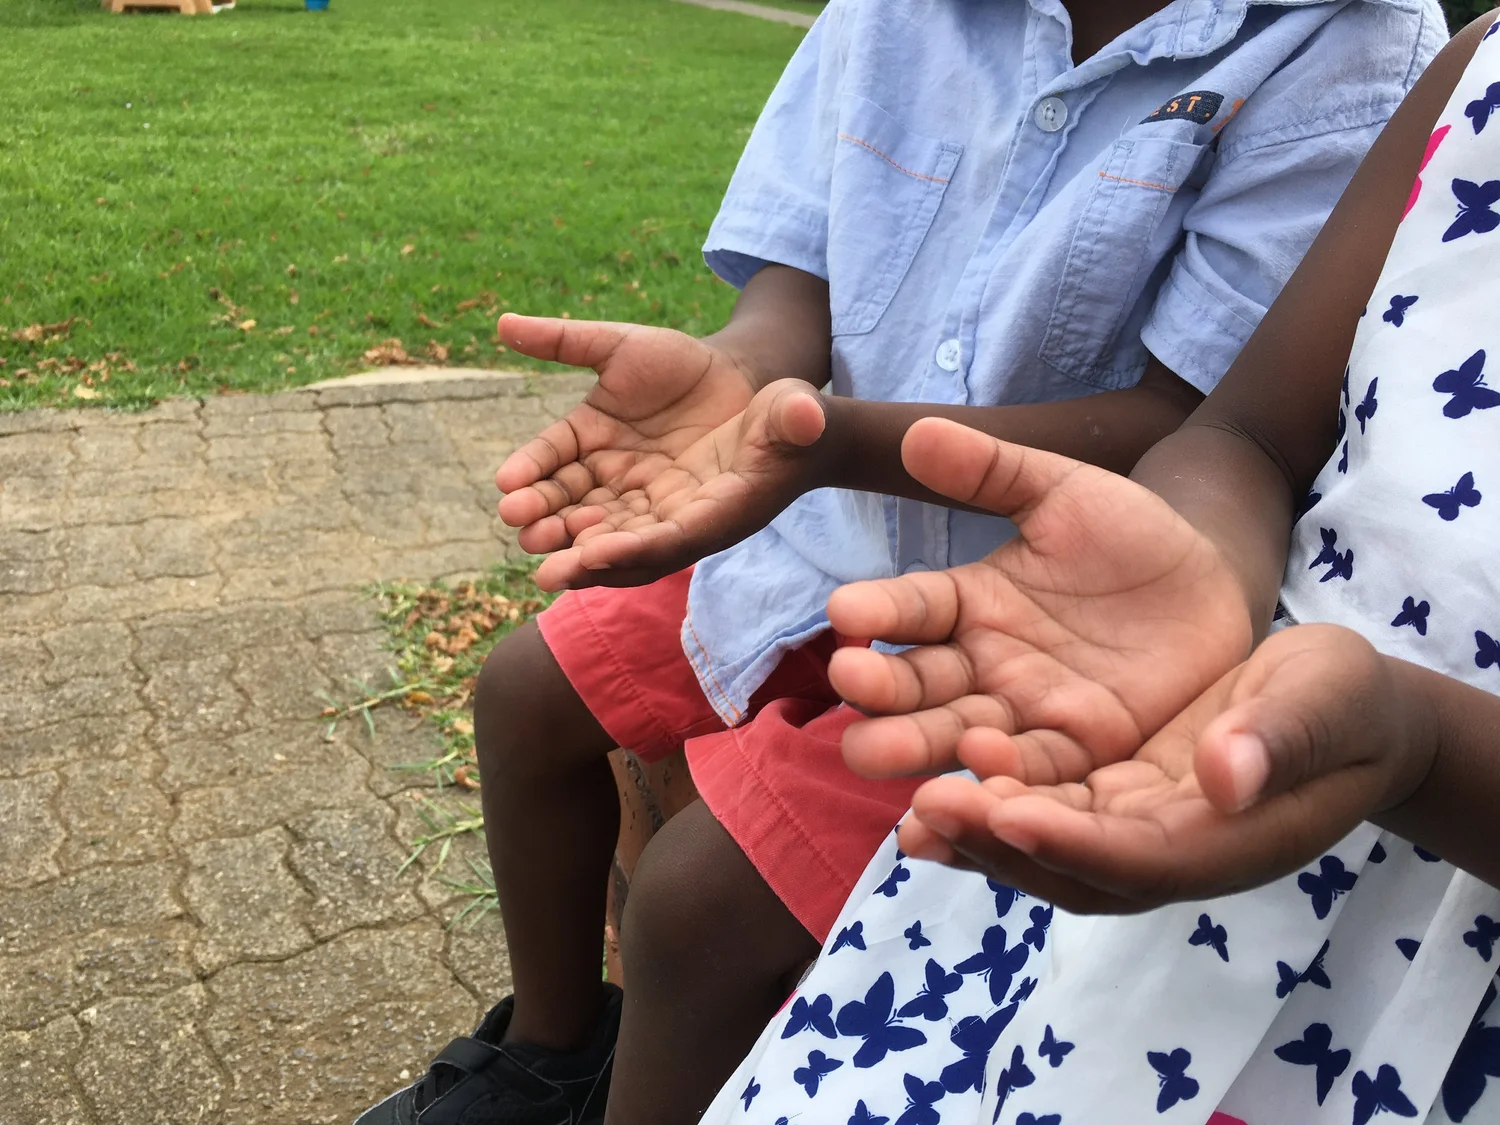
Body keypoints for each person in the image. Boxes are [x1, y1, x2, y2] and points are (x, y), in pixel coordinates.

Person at [354, 2, 1447, 1123]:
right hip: (813, 526)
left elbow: (1193, 417)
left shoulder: (1345, 58)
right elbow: (797, 275)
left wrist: (827, 443)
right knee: (524, 693)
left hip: (1040, 605)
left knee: (689, 904)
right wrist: (743, 377)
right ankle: (547, 1058)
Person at [685, 11, 1500, 1123]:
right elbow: (1248, 437)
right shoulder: (1481, 68)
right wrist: (1193, 558)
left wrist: (1415, 742)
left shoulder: (1356, 48)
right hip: (1165, 746)